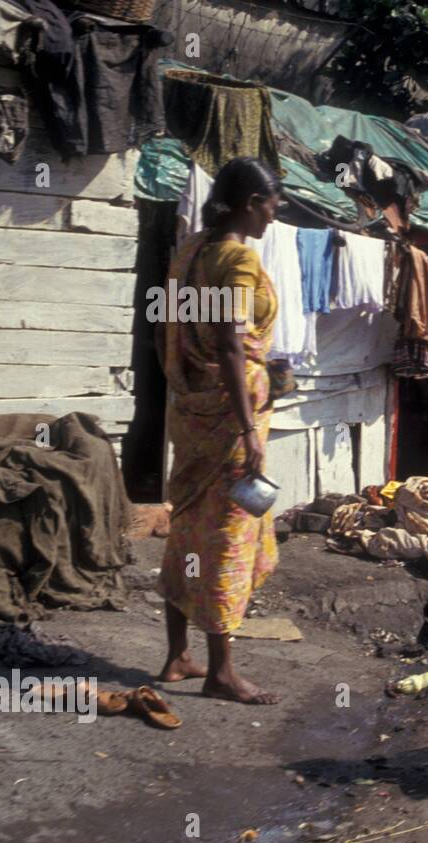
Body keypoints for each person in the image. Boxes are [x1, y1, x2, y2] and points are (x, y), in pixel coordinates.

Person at [154, 157, 284, 704]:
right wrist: (250, 426)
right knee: (229, 538)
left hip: (191, 410)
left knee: (186, 530)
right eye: (272, 204)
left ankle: (176, 655)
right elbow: (232, 342)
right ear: (250, 202)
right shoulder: (235, 259)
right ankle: (221, 671)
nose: (275, 216)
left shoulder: (190, 250)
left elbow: (169, 322)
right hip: (230, 421)